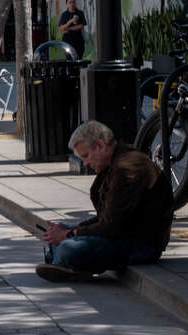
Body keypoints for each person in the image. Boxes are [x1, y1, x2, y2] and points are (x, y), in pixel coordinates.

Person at [37, 121, 175, 283]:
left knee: (69, 247)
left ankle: (62, 259)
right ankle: (62, 260)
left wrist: (69, 235)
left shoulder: (127, 168)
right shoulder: (112, 165)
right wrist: (73, 229)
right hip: (120, 235)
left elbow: (112, 225)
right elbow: (107, 217)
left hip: (142, 244)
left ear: (100, 145)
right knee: (63, 234)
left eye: (86, 156)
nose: (86, 163)